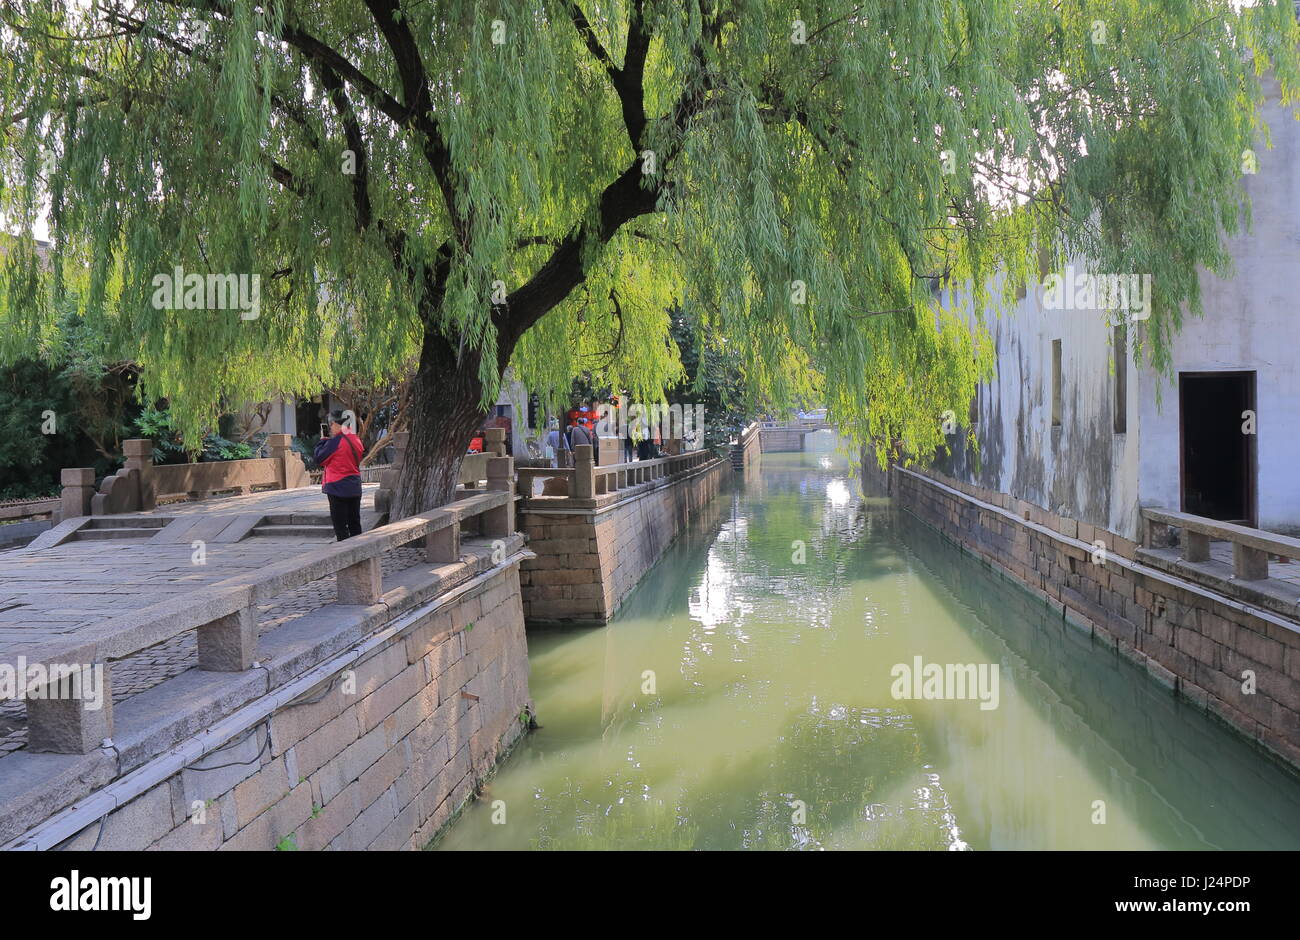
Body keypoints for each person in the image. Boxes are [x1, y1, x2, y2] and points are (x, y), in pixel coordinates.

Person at [314, 409, 364, 541]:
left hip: (338, 488)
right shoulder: (356, 439)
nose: (330, 427)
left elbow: (319, 458)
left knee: (341, 528)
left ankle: (346, 557)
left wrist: (323, 440)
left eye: (330, 424)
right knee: (355, 525)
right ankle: (359, 555)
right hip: (354, 486)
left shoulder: (336, 441)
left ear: (337, 423)